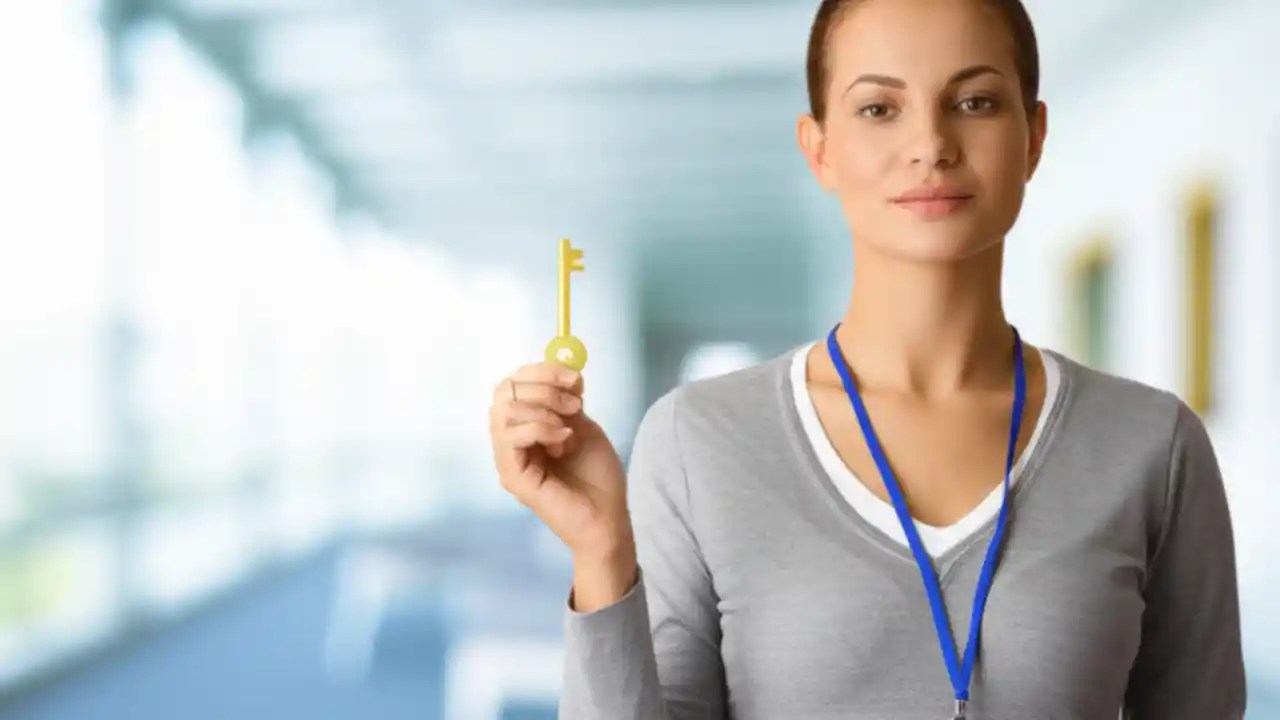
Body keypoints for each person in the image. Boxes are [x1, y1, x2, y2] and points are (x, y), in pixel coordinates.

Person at [487, 0, 1247, 717]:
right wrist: (601, 550)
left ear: (1035, 136)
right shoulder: (698, 441)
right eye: (879, 108)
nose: (931, 146)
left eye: (975, 102)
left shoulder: (1153, 446)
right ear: (819, 149)